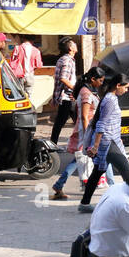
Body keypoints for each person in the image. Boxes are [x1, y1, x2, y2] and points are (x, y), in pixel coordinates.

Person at [78, 73, 129, 212]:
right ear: (118, 85)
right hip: (106, 143)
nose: (126, 91)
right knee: (127, 171)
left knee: (98, 172)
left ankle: (84, 204)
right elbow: (102, 124)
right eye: (125, 87)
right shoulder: (110, 100)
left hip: (110, 141)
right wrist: (96, 146)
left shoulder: (110, 98)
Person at [52, 67, 105, 200]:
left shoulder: (87, 90)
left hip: (88, 131)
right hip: (87, 131)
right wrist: (88, 137)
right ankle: (92, 187)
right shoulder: (86, 93)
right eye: (100, 80)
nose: (101, 83)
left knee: (80, 159)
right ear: (93, 79)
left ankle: (59, 185)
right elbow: (84, 117)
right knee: (94, 158)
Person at [50, 37, 78, 145]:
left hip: (66, 96)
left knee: (64, 121)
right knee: (78, 121)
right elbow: (63, 78)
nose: (76, 45)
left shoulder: (64, 59)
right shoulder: (67, 60)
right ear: (71, 48)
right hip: (67, 96)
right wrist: (76, 90)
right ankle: (54, 144)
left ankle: (54, 144)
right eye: (74, 44)